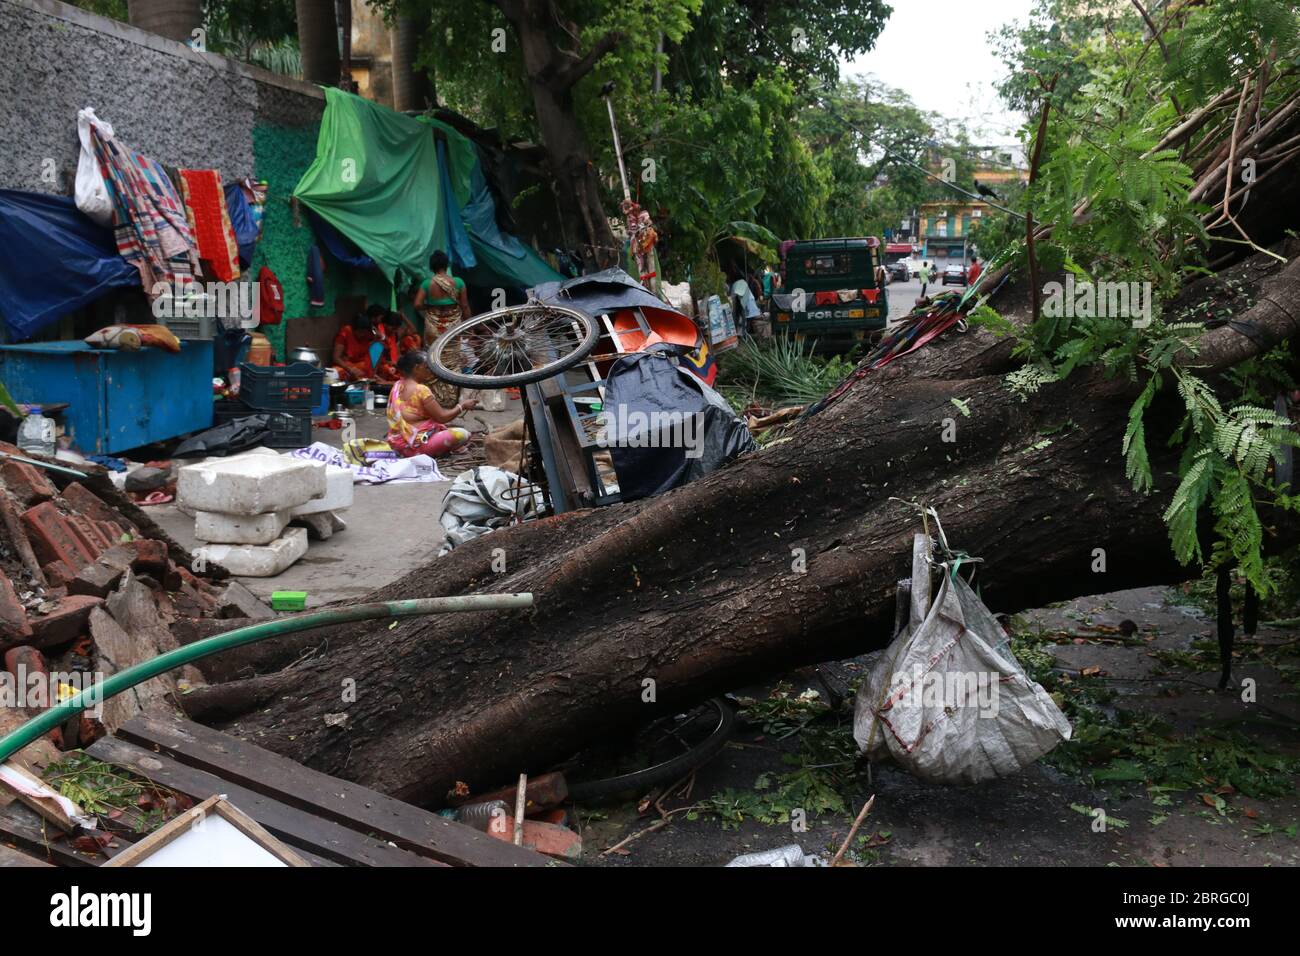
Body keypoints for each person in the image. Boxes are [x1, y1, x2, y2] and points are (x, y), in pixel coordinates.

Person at [386, 350, 477, 457]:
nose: (430, 371)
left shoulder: (397, 386)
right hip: (415, 447)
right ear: (417, 368)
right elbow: (442, 417)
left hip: (397, 444)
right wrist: (462, 406)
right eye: (427, 368)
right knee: (463, 434)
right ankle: (434, 450)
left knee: (442, 427)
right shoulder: (421, 390)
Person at [413, 250, 470, 345]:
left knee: (434, 353)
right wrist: (469, 327)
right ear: (447, 265)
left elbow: (417, 305)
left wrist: (429, 307)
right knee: (452, 353)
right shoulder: (459, 282)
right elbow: (464, 306)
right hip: (453, 326)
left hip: (433, 326)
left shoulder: (426, 284)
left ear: (432, 267)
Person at [374, 307, 421, 383]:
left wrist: (403, 316)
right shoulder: (378, 332)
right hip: (383, 365)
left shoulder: (394, 334)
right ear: (385, 324)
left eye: (396, 328)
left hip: (395, 365)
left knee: (412, 339)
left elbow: (413, 330)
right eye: (393, 328)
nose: (394, 330)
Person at [332, 311, 379, 381]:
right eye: (360, 332)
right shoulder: (345, 332)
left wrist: (375, 333)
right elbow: (336, 358)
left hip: (361, 367)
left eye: (364, 332)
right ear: (354, 329)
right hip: (346, 367)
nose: (362, 335)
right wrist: (350, 369)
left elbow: (379, 341)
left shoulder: (368, 335)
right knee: (335, 372)